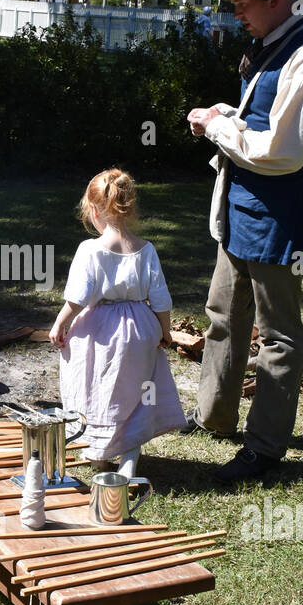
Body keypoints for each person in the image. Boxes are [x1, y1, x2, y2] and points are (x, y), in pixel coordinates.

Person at [184, 0, 303, 484]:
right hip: (240, 209)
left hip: (280, 220)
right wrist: (221, 115)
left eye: (243, 2)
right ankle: (214, 418)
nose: (236, 12)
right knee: (224, 317)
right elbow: (260, 118)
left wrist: (217, 127)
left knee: (279, 335)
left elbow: (283, 150)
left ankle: (266, 446)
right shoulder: (268, 44)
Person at [49, 168, 186, 477]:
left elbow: (78, 297)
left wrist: (60, 323)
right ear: (130, 206)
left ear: (94, 209)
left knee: (100, 388)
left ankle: (99, 451)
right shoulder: (146, 249)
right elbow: (161, 299)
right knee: (136, 394)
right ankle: (127, 460)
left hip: (100, 331)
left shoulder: (90, 250)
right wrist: (164, 332)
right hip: (140, 328)